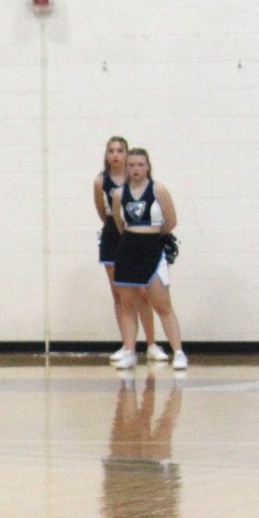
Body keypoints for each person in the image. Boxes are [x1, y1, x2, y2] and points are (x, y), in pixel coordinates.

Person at [109, 148, 187, 371]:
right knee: (127, 305)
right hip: (127, 250)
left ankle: (178, 352)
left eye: (140, 165)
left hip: (152, 249)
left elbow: (171, 221)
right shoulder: (119, 194)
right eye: (131, 165)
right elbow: (119, 223)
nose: (135, 169)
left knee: (162, 304)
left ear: (148, 166)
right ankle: (130, 351)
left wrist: (153, 237)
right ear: (127, 167)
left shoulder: (158, 189)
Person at [95, 136, 159, 365]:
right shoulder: (101, 181)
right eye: (111, 150)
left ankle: (152, 344)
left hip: (136, 235)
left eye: (120, 150)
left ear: (127, 154)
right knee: (119, 295)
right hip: (113, 234)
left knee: (142, 293)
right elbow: (103, 213)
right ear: (106, 155)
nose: (115, 155)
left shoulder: (137, 178)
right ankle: (127, 345)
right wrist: (114, 227)